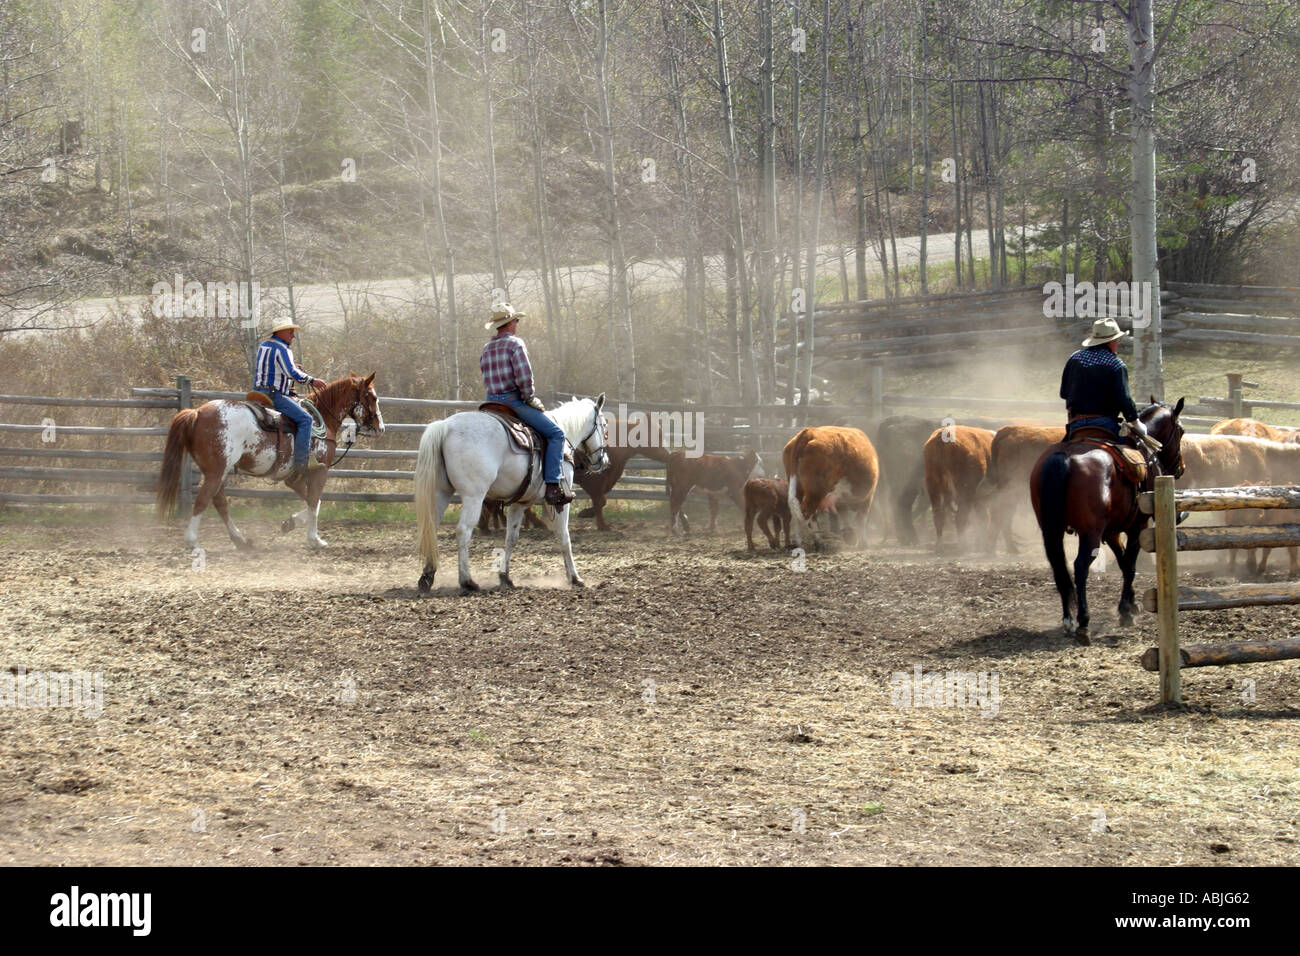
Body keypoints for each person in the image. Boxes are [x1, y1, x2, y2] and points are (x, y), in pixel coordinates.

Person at [480, 303, 573, 507]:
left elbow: (486, 376)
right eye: (516, 320)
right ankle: (552, 485)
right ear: (511, 322)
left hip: (490, 403)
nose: (517, 323)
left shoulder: (487, 348)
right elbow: (524, 377)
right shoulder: (515, 344)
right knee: (556, 434)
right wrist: (530, 398)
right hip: (512, 402)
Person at [254, 318, 326, 484]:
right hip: (275, 395)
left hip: (258, 392)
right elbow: (292, 373)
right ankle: (301, 464)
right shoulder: (283, 349)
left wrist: (292, 366)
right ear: (280, 332)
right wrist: (311, 380)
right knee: (306, 419)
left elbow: (276, 368)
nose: (293, 335)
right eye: (290, 331)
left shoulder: (264, 346)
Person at [1060, 317, 1149, 444]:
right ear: (1111, 342)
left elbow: (1064, 393)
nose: (1118, 343)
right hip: (1106, 424)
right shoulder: (1115, 364)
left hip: (1076, 424)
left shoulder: (1074, 358)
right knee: (1135, 455)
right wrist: (1135, 422)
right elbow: (1124, 399)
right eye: (1117, 340)